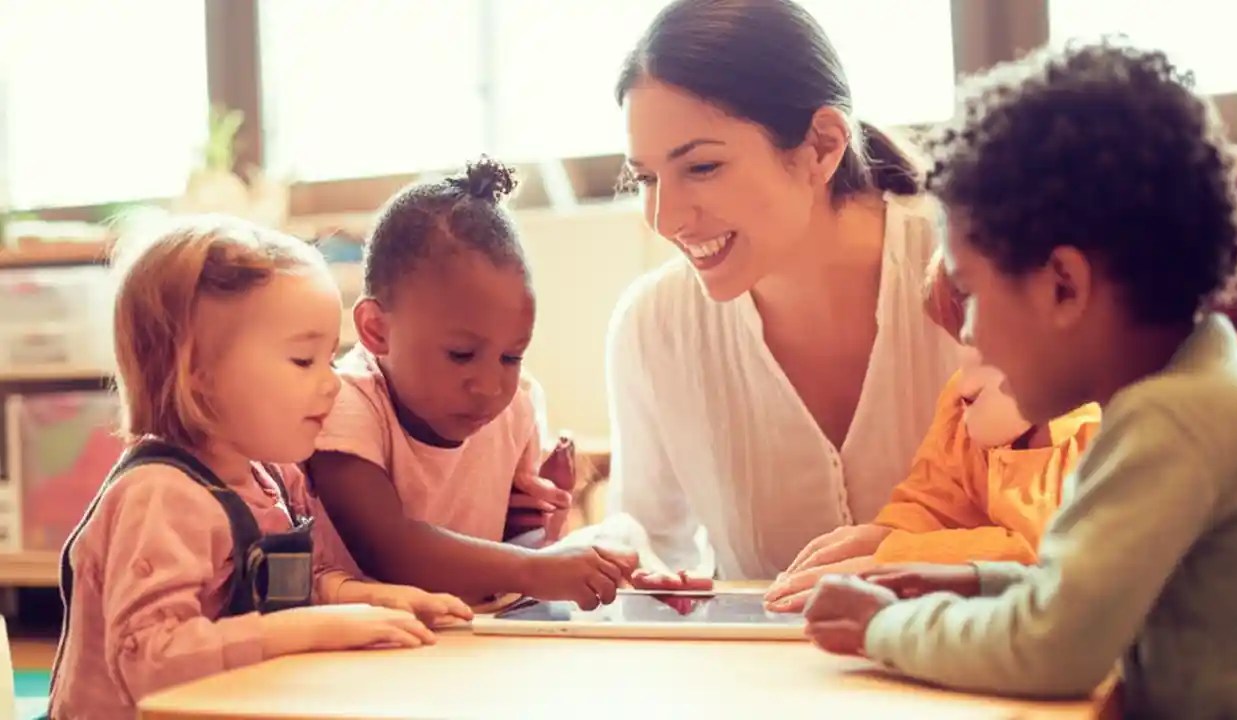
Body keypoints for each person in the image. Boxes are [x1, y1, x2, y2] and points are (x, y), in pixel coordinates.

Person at [802, 41, 1237, 720]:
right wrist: (974, 584)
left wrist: (882, 629)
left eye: (971, 296)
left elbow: (1055, 648)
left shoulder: (1170, 421)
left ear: (1063, 285)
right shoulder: (1203, 381)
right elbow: (1092, 592)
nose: (966, 336)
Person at [50, 216, 469, 720]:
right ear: (198, 374)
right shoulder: (161, 496)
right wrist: (316, 629)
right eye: (302, 360)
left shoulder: (272, 475)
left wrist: (375, 601)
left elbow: (291, 584)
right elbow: (152, 658)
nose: (332, 383)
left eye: (330, 358)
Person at [602, 0, 959, 583]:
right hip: (756, 673)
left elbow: (1069, 536)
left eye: (703, 167)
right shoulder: (652, 326)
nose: (664, 219)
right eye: (645, 178)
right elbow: (652, 546)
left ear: (820, 146)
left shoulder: (974, 275)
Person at [307, 158, 636, 609]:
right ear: (376, 330)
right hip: (362, 646)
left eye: (511, 356)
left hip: (469, 639)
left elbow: (513, 548)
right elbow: (390, 550)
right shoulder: (348, 403)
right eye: (461, 355)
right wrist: (535, 569)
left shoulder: (514, 408)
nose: (490, 385)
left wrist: (562, 540)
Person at [764, 259, 1100, 612]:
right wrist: (883, 538)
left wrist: (899, 562)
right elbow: (935, 502)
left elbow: (1050, 556)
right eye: (961, 333)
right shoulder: (963, 403)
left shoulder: (1103, 421)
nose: (964, 360)